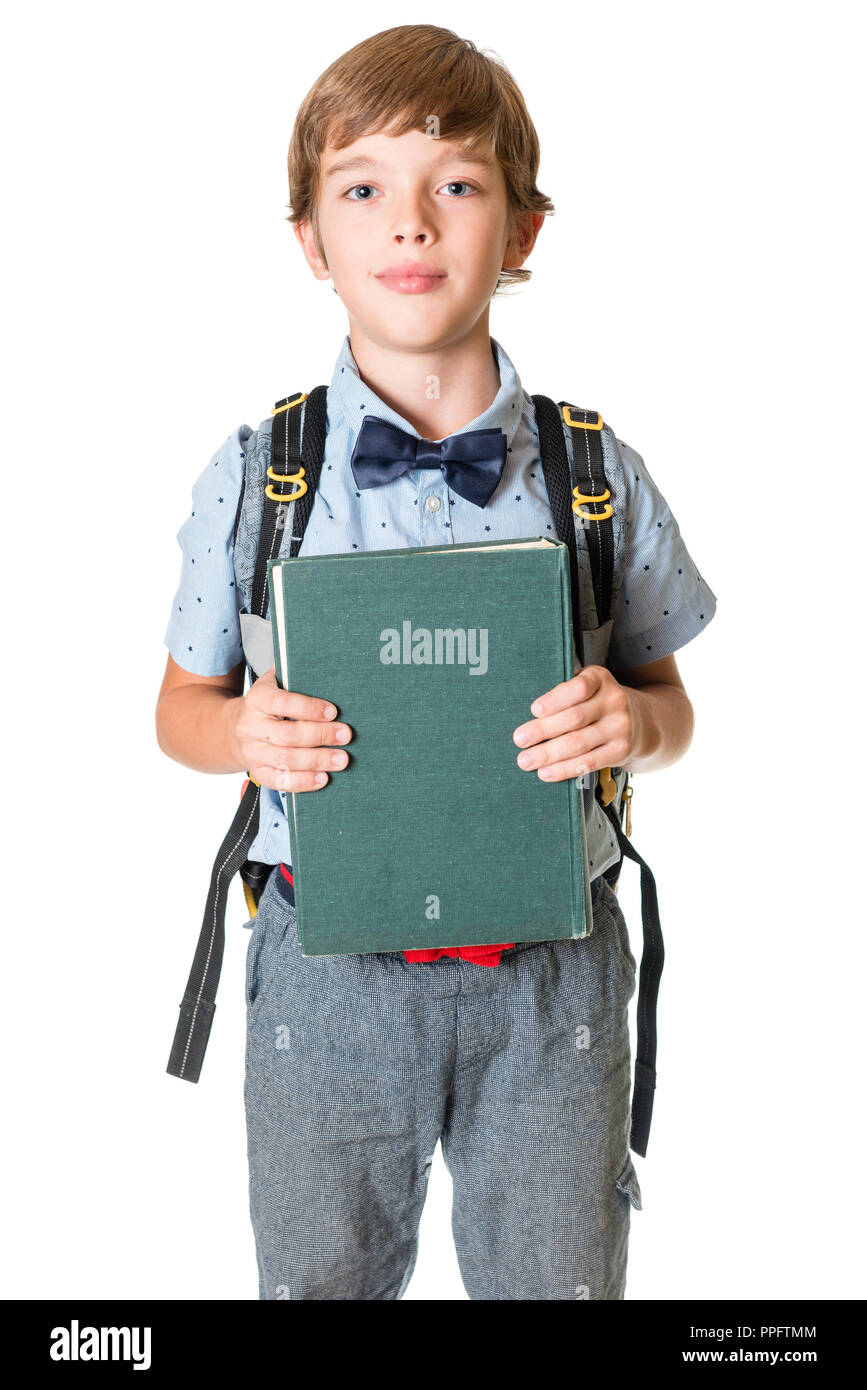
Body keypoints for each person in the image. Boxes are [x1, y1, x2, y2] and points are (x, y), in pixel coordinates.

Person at [155, 24, 716, 1300]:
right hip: (325, 968)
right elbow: (181, 707)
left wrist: (633, 723)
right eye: (362, 189)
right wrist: (239, 731)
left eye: (456, 184)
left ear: (521, 229)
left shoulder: (596, 472)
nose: (410, 222)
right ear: (311, 240)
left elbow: (671, 706)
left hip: (554, 976)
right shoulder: (256, 476)